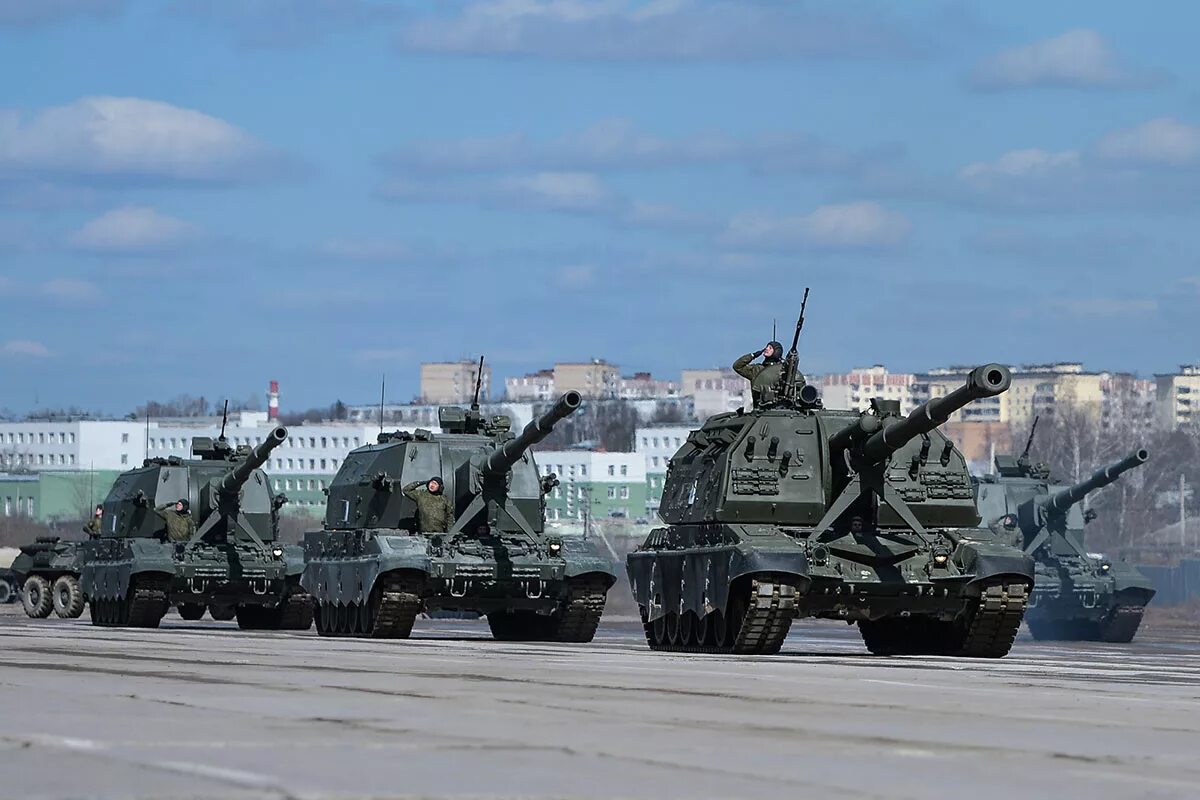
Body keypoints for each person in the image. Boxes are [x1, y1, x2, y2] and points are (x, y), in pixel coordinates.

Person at [732, 340, 785, 406]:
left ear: (776, 352)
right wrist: (752, 355)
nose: (766, 349)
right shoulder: (757, 369)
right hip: (759, 407)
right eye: (767, 347)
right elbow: (737, 366)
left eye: (770, 348)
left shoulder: (782, 370)